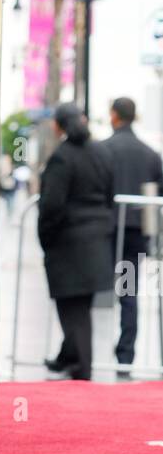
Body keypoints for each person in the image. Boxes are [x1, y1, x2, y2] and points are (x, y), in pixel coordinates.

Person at [40, 103, 115, 382]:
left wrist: (45, 236)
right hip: (97, 240)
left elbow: (52, 205)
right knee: (80, 307)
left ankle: (83, 370)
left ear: (58, 125)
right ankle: (68, 359)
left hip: (68, 242)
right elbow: (110, 195)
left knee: (72, 309)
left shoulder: (62, 157)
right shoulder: (102, 153)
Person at [100, 96, 163, 374]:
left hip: (105, 231)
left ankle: (86, 351)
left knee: (95, 292)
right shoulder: (150, 154)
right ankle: (125, 355)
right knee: (128, 291)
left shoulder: (103, 150)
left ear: (114, 115)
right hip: (136, 234)